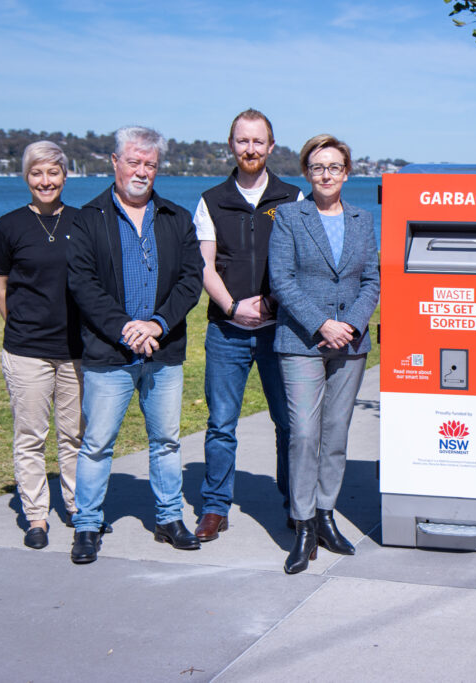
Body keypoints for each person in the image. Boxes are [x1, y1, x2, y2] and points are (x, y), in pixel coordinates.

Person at [66, 126, 203, 564]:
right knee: (98, 443)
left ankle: (167, 519)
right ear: (114, 162)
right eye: (134, 162)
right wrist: (128, 328)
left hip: (163, 353)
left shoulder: (176, 218)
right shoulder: (88, 219)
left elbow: (190, 280)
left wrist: (158, 324)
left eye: (150, 164)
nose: (142, 172)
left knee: (166, 441)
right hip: (110, 354)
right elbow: (83, 285)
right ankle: (87, 525)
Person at [269, 134, 379, 575]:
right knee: (304, 435)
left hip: (350, 345)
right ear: (307, 173)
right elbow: (282, 279)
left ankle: (327, 515)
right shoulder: (290, 217)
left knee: (335, 434)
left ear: (346, 173)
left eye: (334, 167)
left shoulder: (361, 218)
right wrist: (322, 324)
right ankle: (303, 524)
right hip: (302, 341)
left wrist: (348, 324)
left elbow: (372, 278)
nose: (326, 175)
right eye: (317, 168)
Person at [194, 109, 304, 542]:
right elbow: (203, 264)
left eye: (259, 142)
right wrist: (232, 305)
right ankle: (215, 508)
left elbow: (299, 262)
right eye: (243, 141)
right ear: (231, 144)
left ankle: (295, 505)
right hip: (227, 331)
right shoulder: (210, 199)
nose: (251, 149)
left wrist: (273, 301)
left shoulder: (292, 198)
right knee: (222, 424)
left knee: (289, 423)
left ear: (271, 147)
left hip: (282, 331)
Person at [0, 140, 84, 550]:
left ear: (65, 176)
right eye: (37, 173)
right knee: (31, 436)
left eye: (53, 172)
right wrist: (20, 325)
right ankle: (37, 516)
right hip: (26, 350)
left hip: (77, 349)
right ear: (27, 178)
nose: (46, 181)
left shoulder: (83, 222)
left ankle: (81, 509)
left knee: (76, 435)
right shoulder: (8, 226)